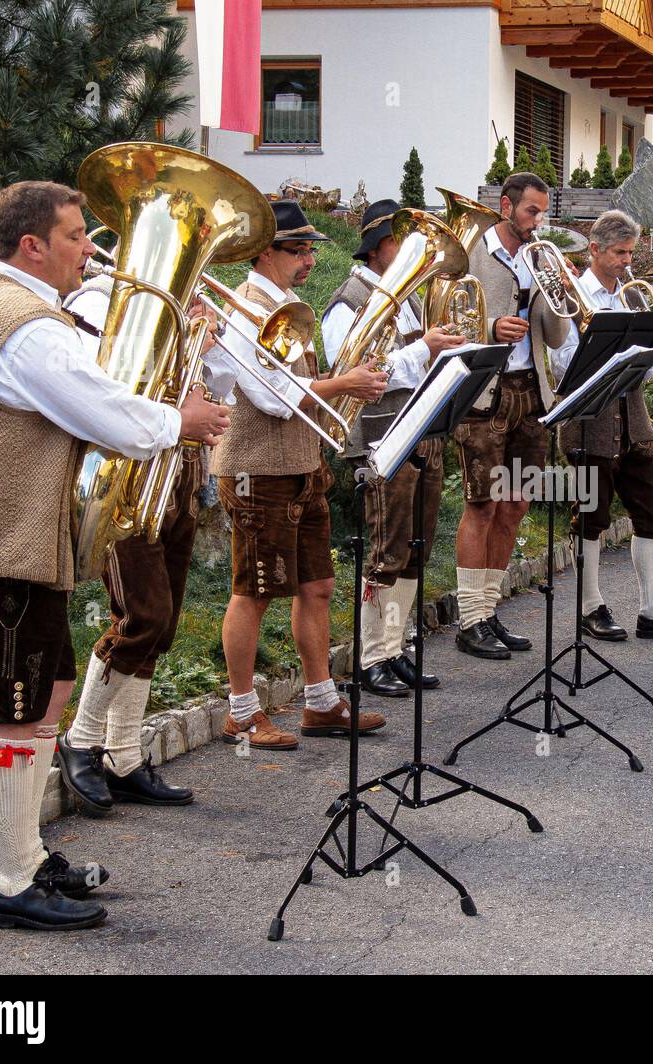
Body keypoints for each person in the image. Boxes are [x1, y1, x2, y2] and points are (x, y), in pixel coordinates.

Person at [0, 180, 229, 930]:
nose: (91, 249)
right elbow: (100, 407)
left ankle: (24, 853)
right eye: (78, 236)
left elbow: (85, 373)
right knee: (15, 715)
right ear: (33, 246)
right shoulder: (25, 324)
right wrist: (178, 419)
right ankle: (11, 885)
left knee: (44, 690)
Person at [211, 201, 389, 750]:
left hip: (301, 468)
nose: (310, 258)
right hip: (258, 471)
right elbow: (274, 400)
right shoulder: (245, 308)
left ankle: (319, 702)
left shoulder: (288, 303)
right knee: (255, 591)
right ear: (266, 251)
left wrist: (343, 381)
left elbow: (296, 390)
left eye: (312, 248)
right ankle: (241, 711)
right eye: (298, 249)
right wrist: (342, 385)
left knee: (318, 585)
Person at [57, 260, 228, 816]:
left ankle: (124, 756)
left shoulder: (185, 310)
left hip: (177, 473)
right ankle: (81, 740)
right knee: (142, 617)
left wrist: (201, 345)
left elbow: (221, 393)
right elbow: (95, 393)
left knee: (164, 623)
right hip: (121, 477)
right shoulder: (96, 302)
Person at [321, 199, 465, 695]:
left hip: (420, 431)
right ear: (381, 247)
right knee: (386, 550)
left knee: (413, 551)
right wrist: (425, 348)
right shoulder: (348, 301)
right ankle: (367, 658)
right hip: (381, 437)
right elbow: (361, 373)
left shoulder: (405, 297)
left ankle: (394, 646)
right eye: (404, 241)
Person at [550, 209, 653, 641]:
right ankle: (590, 607)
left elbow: (652, 368)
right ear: (595, 249)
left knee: (652, 511)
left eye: (631, 253)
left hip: (634, 419)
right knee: (591, 516)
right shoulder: (570, 297)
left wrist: (649, 357)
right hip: (589, 422)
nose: (627, 262)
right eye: (619, 253)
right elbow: (562, 366)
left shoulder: (632, 296)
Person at [451, 172, 569, 658]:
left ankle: (489, 609)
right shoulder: (469, 255)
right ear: (505, 206)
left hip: (530, 393)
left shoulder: (540, 257)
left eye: (543, 212)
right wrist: (489, 325)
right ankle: (469, 618)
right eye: (531, 212)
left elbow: (557, 338)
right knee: (482, 504)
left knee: (515, 504)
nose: (538, 221)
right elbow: (446, 321)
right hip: (484, 394)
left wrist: (558, 293)